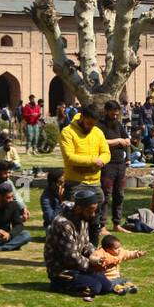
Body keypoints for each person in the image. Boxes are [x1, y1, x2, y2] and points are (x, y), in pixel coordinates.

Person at [43, 186, 114, 301]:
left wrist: (96, 255)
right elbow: (71, 257)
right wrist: (92, 265)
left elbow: (85, 243)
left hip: (78, 267)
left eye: (94, 211)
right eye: (90, 211)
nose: (93, 214)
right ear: (79, 208)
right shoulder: (63, 224)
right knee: (95, 287)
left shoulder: (83, 218)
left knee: (106, 286)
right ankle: (58, 284)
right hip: (62, 270)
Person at [59, 103, 110, 244]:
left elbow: (106, 153)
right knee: (73, 222)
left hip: (95, 183)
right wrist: (94, 161)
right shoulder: (67, 132)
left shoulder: (98, 132)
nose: (90, 127)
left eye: (93, 124)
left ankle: (92, 251)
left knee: (95, 222)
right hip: (76, 184)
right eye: (88, 123)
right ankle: (72, 252)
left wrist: (101, 161)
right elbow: (70, 157)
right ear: (82, 117)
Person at [99, 100, 133, 233]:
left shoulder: (118, 124)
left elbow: (128, 140)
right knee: (106, 195)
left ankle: (116, 224)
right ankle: (102, 225)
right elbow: (102, 142)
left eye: (116, 114)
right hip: (108, 165)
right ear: (106, 111)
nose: (114, 116)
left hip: (120, 164)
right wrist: (119, 141)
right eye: (113, 114)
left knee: (119, 195)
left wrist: (122, 141)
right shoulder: (100, 126)